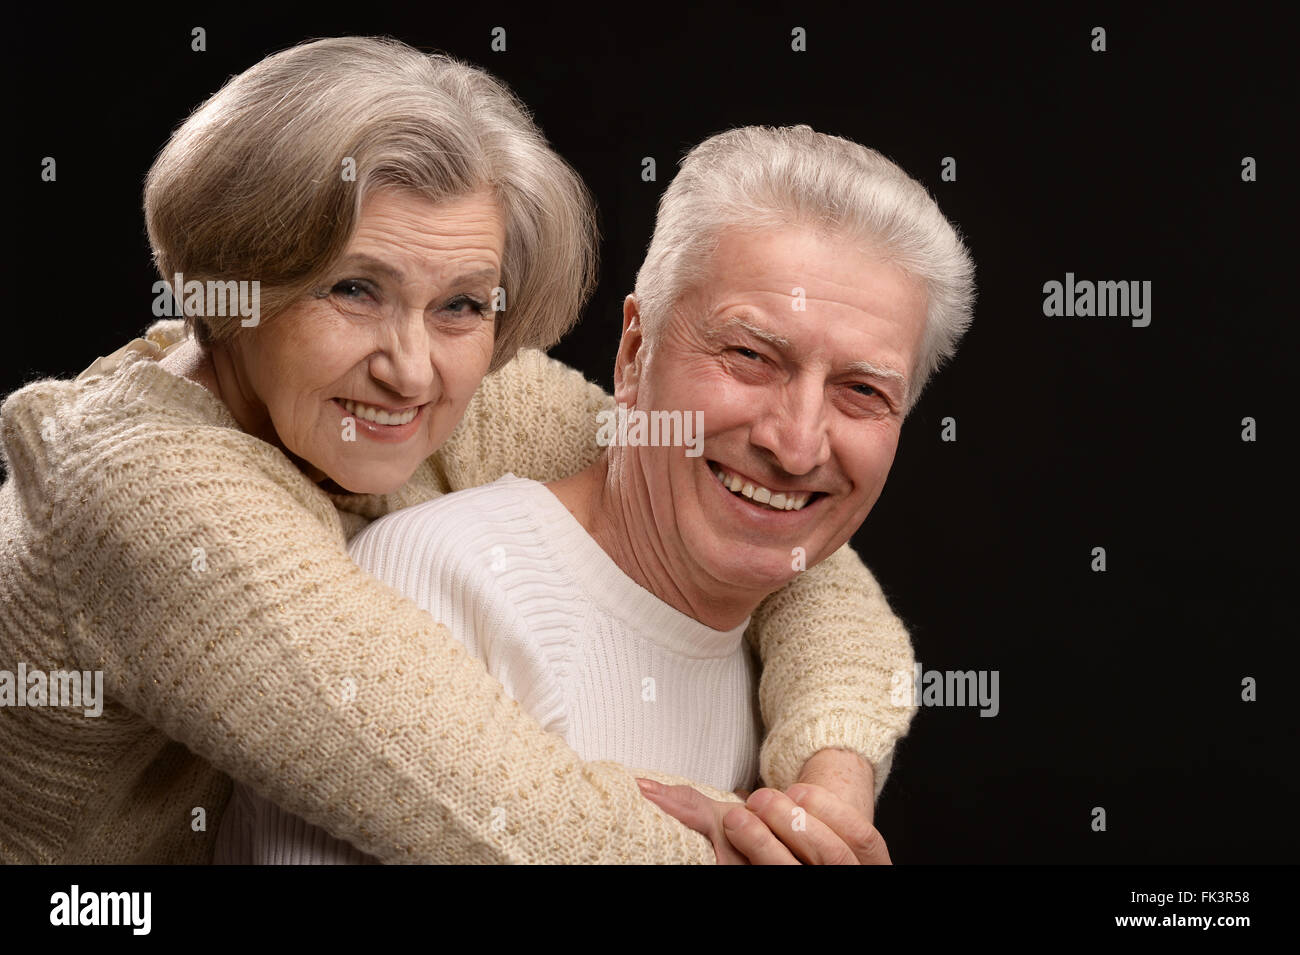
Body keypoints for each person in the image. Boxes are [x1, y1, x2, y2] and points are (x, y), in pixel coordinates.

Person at [0, 37, 915, 865]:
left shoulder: (444, 377)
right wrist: (777, 847)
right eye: (353, 289)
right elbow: (502, 810)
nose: (410, 369)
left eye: (464, 303)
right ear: (240, 279)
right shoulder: (150, 492)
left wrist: (831, 777)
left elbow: (769, 515)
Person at [220, 125, 975, 865]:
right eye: (749, 355)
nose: (797, 443)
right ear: (634, 353)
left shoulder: (789, 679)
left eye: (863, 390)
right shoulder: (441, 584)